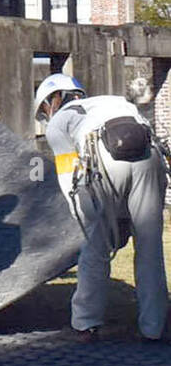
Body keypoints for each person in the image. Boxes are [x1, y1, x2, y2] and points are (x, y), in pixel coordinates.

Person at [35, 73, 168, 343]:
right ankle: (153, 327)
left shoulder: (59, 123)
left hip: (102, 155)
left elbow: (69, 182)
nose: (46, 115)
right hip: (149, 156)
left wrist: (93, 223)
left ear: (53, 99)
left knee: (94, 244)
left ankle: (86, 322)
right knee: (150, 245)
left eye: (44, 110)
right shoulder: (115, 100)